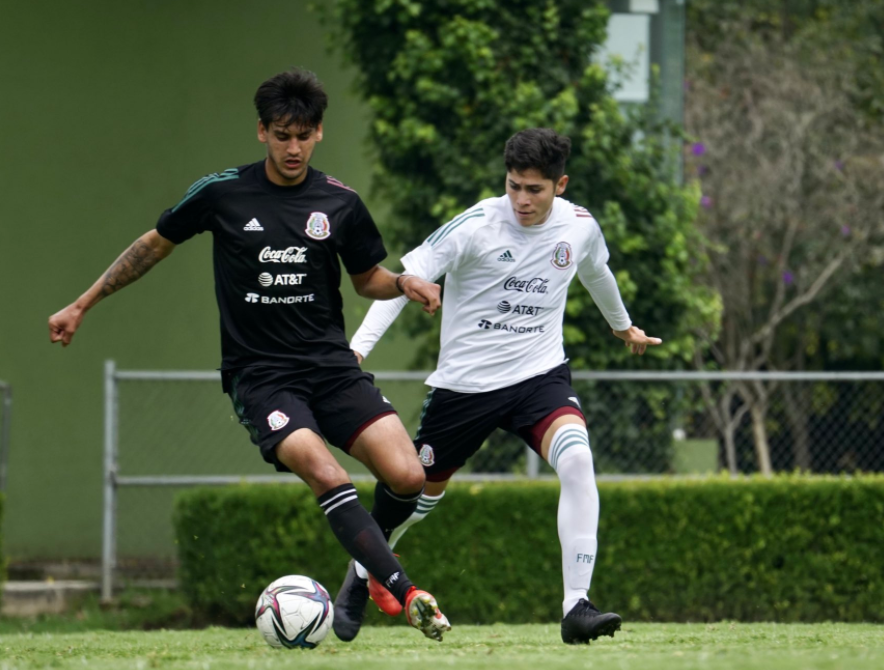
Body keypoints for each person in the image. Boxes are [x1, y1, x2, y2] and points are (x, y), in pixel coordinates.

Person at [47, 68, 451, 642]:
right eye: (282, 134)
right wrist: (82, 303)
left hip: (332, 369)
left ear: (319, 135)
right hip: (262, 378)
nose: (293, 147)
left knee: (409, 475)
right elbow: (151, 247)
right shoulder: (221, 192)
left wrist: (404, 283)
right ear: (261, 132)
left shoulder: (340, 203)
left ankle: (363, 576)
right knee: (326, 472)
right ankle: (405, 588)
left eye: (304, 135)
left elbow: (367, 280)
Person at [333, 128, 661, 644]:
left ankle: (576, 605)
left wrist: (622, 326)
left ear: (561, 184)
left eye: (535, 189)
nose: (523, 200)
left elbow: (597, 273)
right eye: (514, 187)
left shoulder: (579, 227)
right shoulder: (475, 226)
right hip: (465, 389)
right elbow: (402, 283)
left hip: (540, 377)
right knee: (417, 496)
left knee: (577, 459)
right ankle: (361, 572)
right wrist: (357, 348)